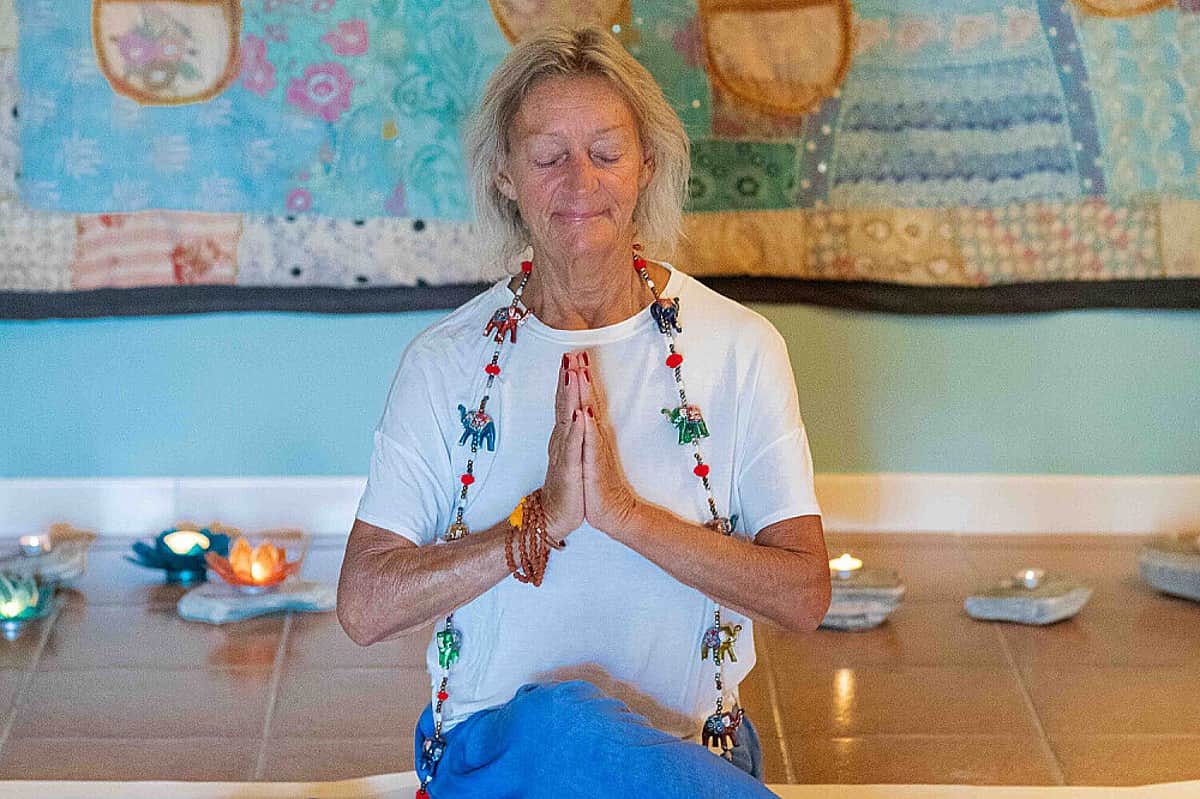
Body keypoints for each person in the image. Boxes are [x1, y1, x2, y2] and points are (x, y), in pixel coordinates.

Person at [337, 25, 830, 799]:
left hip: (692, 760)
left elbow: (805, 595)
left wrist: (624, 513)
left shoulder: (739, 347)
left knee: (602, 744)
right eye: (547, 156)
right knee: (559, 724)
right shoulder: (446, 363)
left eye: (605, 153)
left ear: (647, 166)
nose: (579, 182)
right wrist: (535, 528)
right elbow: (364, 605)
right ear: (505, 173)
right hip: (501, 762)